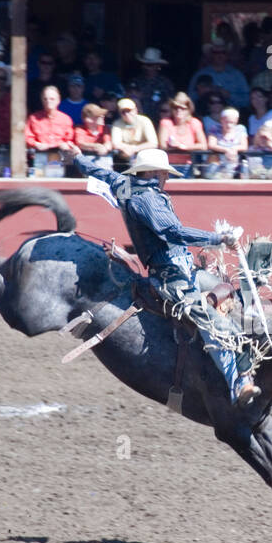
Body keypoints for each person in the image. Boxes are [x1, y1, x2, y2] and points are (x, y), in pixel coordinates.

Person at [67, 146, 260, 405]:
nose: (167, 178)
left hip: (181, 269)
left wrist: (77, 157)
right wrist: (219, 239)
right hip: (172, 277)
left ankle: (242, 342)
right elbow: (173, 232)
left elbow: (98, 172)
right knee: (210, 323)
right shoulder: (147, 199)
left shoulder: (123, 183)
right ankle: (238, 384)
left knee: (226, 292)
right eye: (165, 174)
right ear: (155, 173)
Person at [158, 92, 208, 176]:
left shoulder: (194, 122)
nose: (178, 110)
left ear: (189, 110)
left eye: (182, 108)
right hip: (168, 166)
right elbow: (162, 146)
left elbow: (203, 146)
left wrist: (184, 147)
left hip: (187, 166)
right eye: (175, 108)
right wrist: (174, 146)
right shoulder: (165, 122)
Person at [189, 42, 249, 109]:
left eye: (223, 52)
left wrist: (229, 96)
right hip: (206, 115)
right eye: (216, 52)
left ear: (227, 55)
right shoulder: (200, 74)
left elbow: (247, 101)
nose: (220, 55)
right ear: (211, 55)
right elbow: (189, 99)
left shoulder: (237, 75)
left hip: (232, 114)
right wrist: (200, 94)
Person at [24, 85, 75, 153]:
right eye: (45, 99)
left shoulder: (66, 119)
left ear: (58, 100)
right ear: (42, 100)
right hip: (39, 154)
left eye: (52, 99)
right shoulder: (33, 118)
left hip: (61, 155)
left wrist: (66, 144)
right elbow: (27, 137)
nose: (48, 101)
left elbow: (70, 138)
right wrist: (36, 144)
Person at [109, 97, 158, 162]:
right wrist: (128, 149)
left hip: (144, 155)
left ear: (135, 110)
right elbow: (115, 143)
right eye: (123, 112)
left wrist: (134, 149)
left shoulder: (145, 121)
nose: (127, 114)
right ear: (120, 113)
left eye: (129, 111)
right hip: (125, 155)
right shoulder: (117, 123)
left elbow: (153, 143)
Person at [128, 47, 175, 112]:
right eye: (144, 64)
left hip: (158, 119)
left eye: (150, 65)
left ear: (158, 66)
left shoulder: (165, 83)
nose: (146, 67)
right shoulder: (135, 81)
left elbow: (171, 104)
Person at [74, 103, 113, 168]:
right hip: (86, 164)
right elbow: (80, 143)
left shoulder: (105, 129)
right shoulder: (80, 129)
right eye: (98, 115)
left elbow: (108, 143)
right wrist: (97, 146)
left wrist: (105, 148)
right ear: (88, 119)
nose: (102, 116)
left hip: (104, 163)